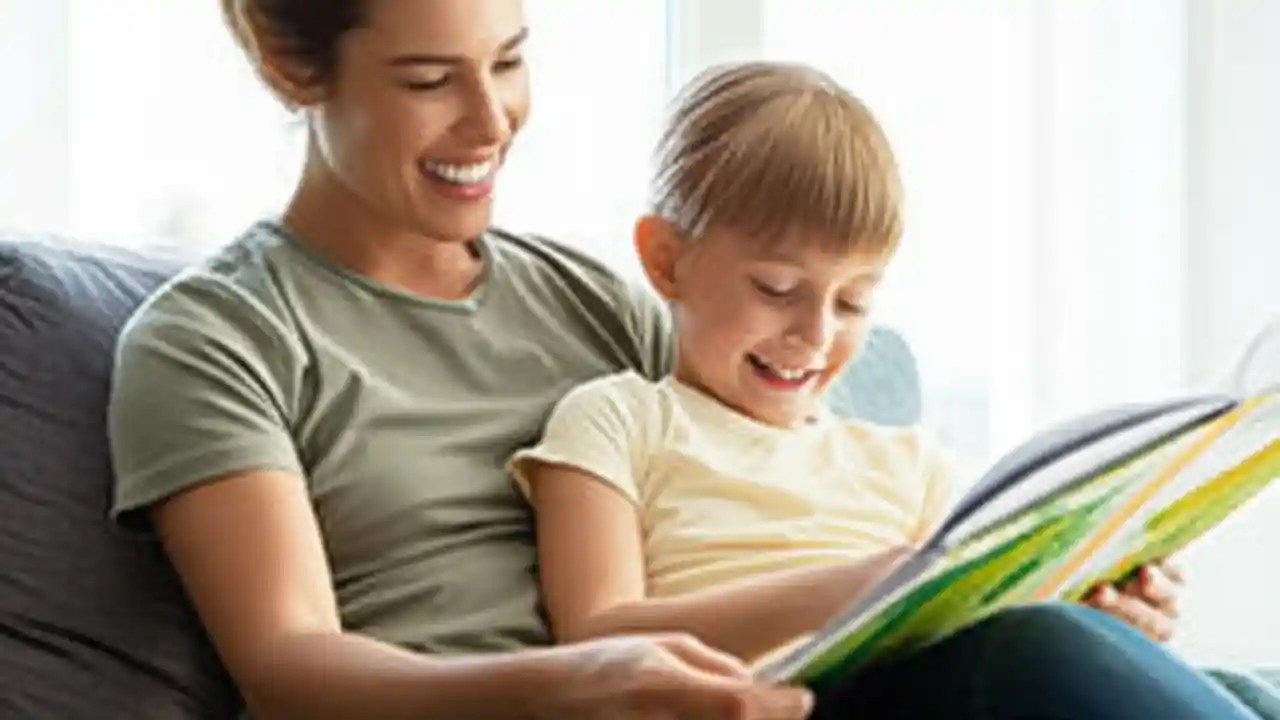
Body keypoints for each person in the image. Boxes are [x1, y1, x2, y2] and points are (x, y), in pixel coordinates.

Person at [103, 1, 1231, 718]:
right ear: (300, 71)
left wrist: (1062, 571)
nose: (490, 119)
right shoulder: (219, 338)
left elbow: (752, 479)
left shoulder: (588, 298)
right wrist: (568, 680)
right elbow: (288, 665)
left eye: (509, 59)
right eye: (426, 80)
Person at [509, 62, 1259, 719]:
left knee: (1248, 687)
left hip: (944, 684)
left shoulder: (909, 462)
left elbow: (986, 616)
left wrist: (1113, 618)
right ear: (667, 262)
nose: (814, 332)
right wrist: (851, 593)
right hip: (787, 703)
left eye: (853, 302)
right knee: (1032, 649)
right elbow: (597, 639)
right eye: (777, 289)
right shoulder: (618, 420)